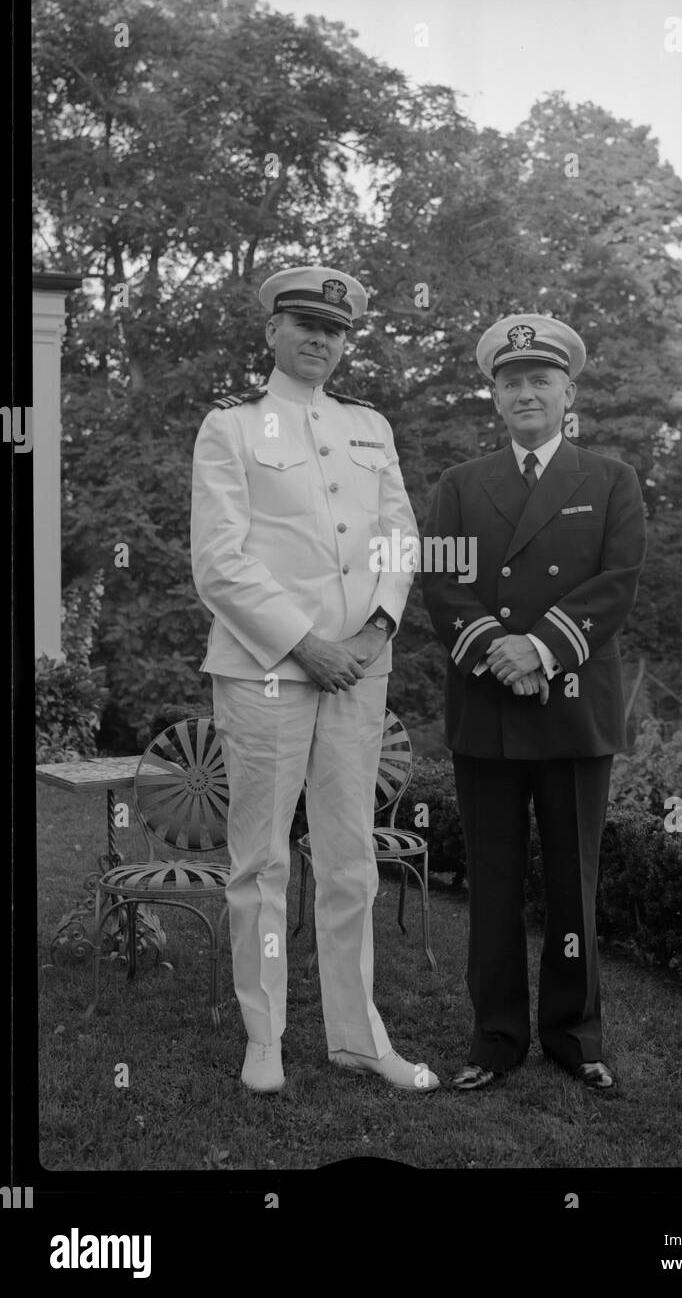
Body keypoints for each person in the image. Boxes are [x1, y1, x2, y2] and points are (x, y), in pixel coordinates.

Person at [191, 265, 439, 1094]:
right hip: (267, 671)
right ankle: (264, 1037)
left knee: (349, 859)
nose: (320, 339)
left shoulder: (370, 425)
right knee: (261, 861)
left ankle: (357, 1037)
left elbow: (399, 539)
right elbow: (219, 563)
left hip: (360, 670)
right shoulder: (231, 426)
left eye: (334, 330)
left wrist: (374, 631)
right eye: (305, 324)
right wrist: (306, 645)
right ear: (273, 330)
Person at [421, 313, 646, 1091]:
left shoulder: (611, 478)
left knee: (571, 883)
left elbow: (617, 582)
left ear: (567, 393)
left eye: (540, 380)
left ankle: (575, 1035)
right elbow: (441, 582)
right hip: (487, 704)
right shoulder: (459, 484)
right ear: (495, 397)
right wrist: (500, 650)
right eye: (511, 381)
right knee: (491, 882)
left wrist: (541, 648)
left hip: (573, 707)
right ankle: (495, 1037)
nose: (526, 392)